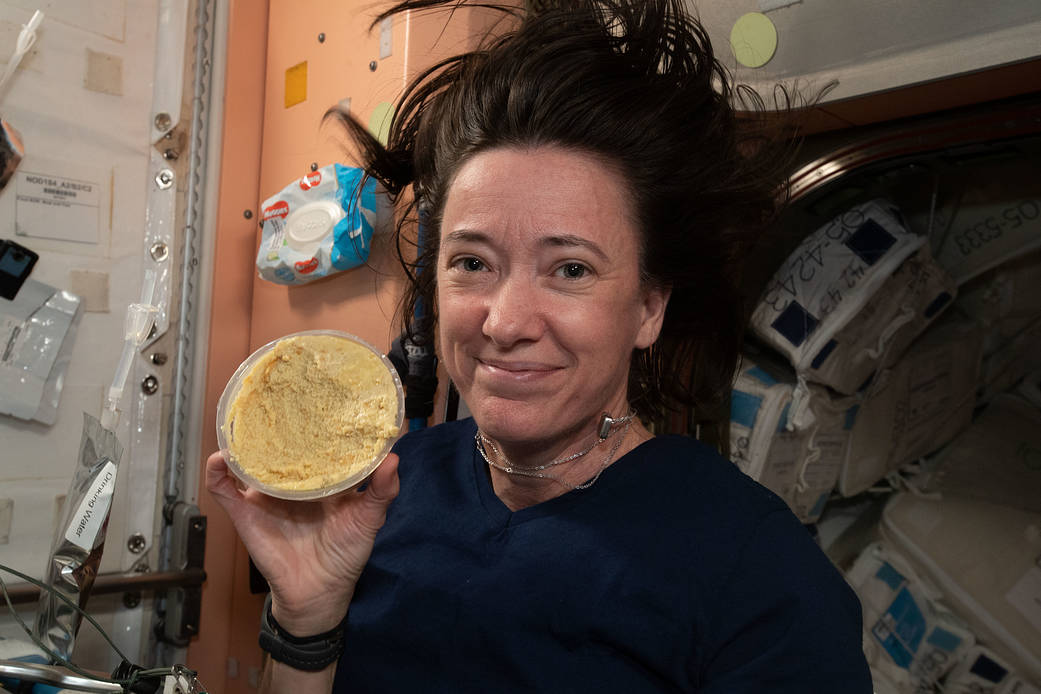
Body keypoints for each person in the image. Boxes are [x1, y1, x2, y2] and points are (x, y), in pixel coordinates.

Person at [206, 0, 873, 691]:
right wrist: (306, 621)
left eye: (570, 269)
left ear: (647, 308)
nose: (504, 322)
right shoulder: (383, 487)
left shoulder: (757, 574)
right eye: (472, 263)